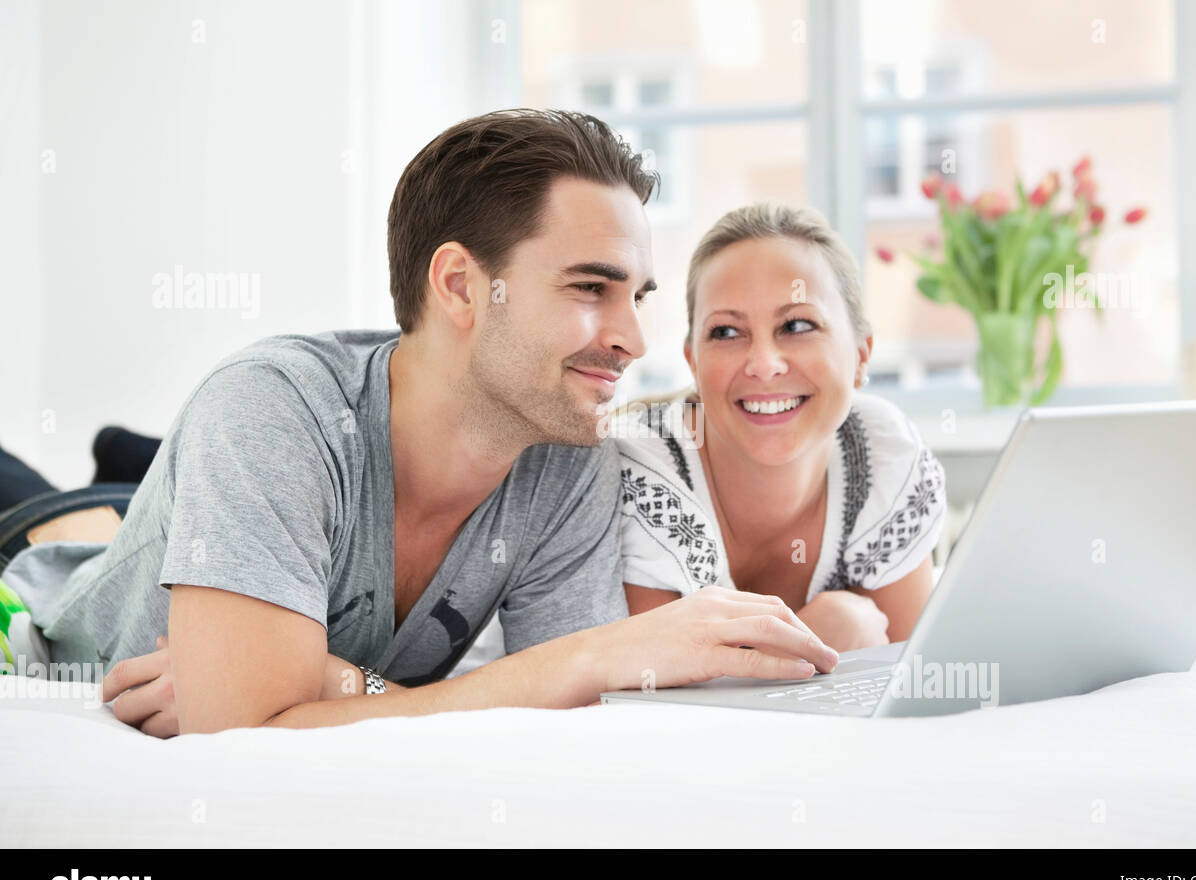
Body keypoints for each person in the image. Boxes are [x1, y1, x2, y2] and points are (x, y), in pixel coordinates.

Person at [0, 109, 838, 737]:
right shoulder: (268, 407)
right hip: (32, 578)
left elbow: (570, 724)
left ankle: (129, 477)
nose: (632, 337)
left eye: (637, 295)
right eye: (591, 287)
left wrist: (336, 684)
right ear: (462, 286)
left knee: (143, 490)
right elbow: (246, 741)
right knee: (57, 516)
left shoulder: (572, 454)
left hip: (252, 493)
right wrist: (586, 656)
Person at [614, 204, 946, 650]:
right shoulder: (638, 474)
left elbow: (910, 686)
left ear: (862, 356)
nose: (764, 365)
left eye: (797, 325)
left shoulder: (884, 455)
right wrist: (826, 636)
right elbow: (648, 700)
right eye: (727, 333)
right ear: (693, 362)